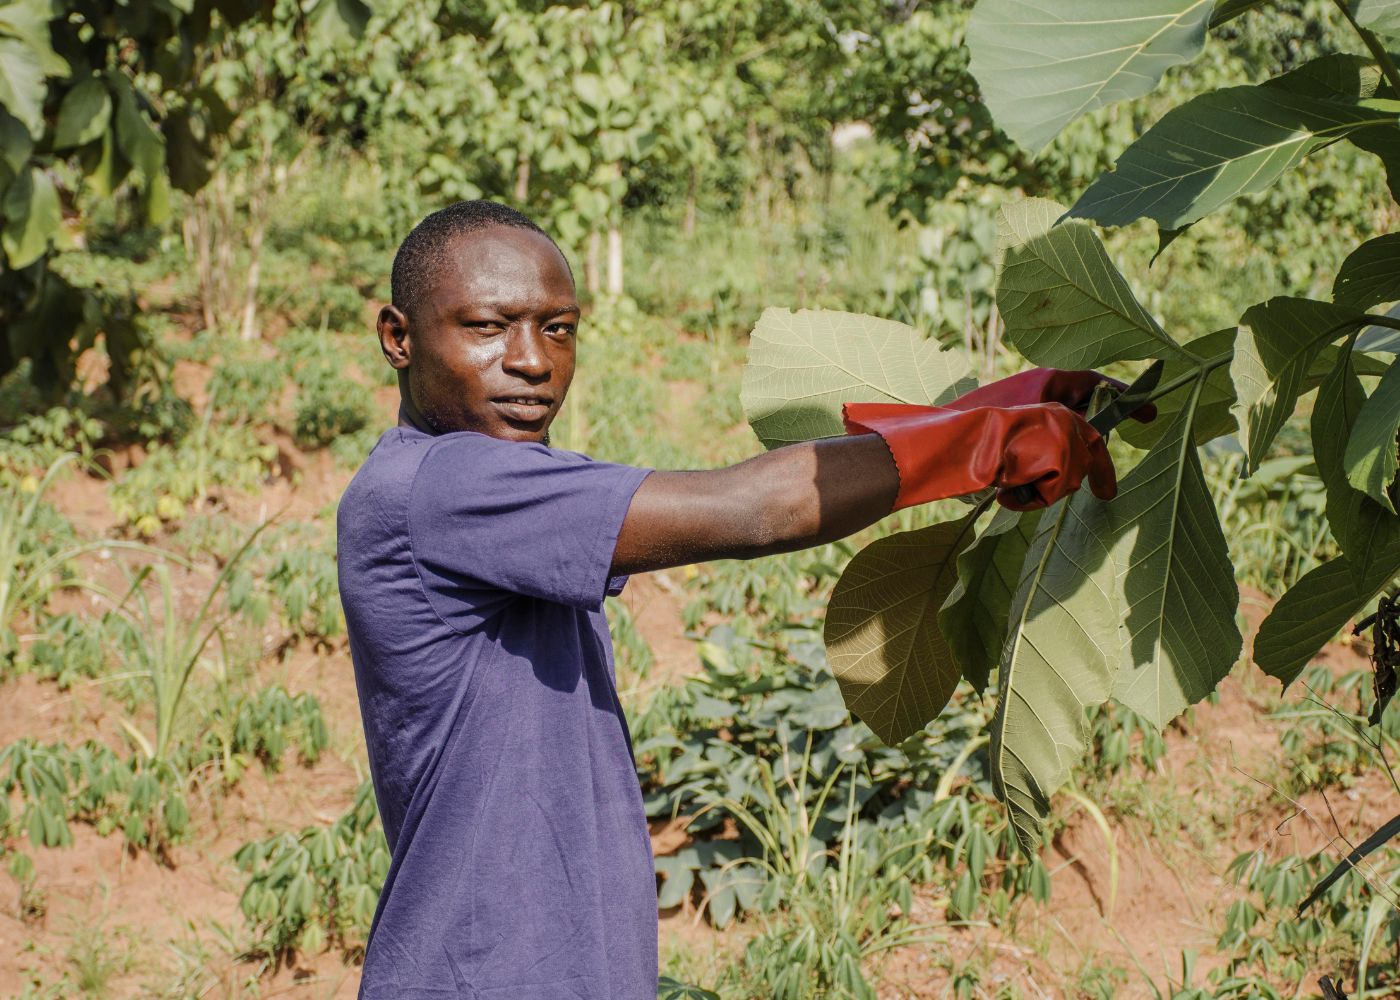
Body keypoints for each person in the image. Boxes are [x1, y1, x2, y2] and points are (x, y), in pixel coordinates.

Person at [336, 200, 1135, 1000]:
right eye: (487, 327)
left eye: (559, 328)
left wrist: (978, 412)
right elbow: (752, 509)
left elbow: (737, 494)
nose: (533, 361)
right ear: (398, 337)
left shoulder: (489, 482)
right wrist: (979, 443)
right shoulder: (443, 488)